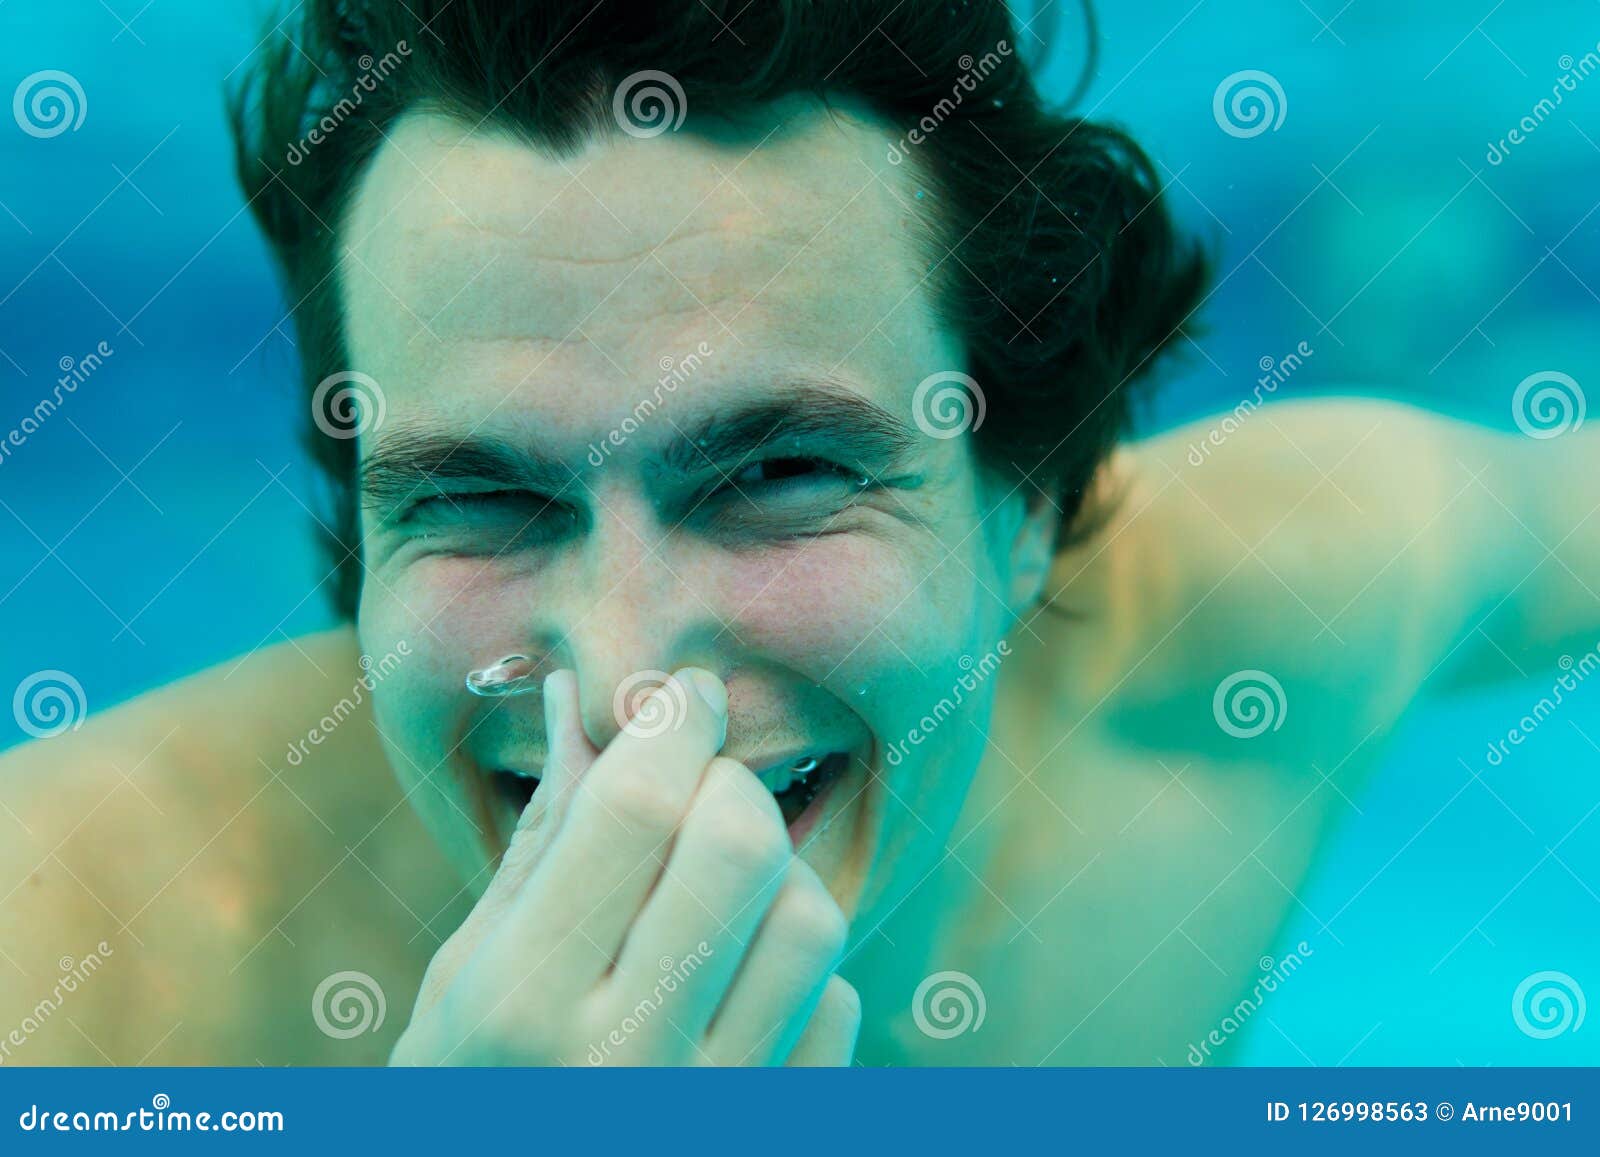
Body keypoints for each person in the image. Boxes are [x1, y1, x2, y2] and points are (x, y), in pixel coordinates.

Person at [2, 0, 1593, 1067]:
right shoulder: (75, 955)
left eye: (776, 475)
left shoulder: (1277, 614)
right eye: (480, 496)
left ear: (1030, 499)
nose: (633, 687)